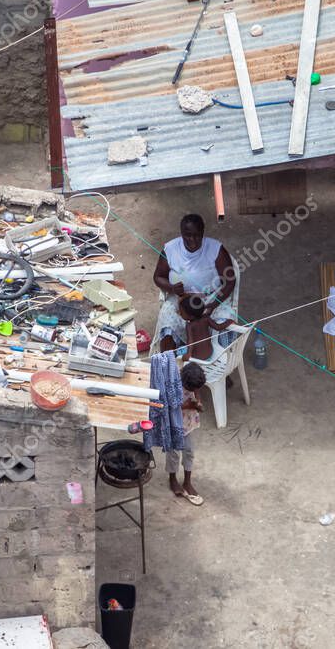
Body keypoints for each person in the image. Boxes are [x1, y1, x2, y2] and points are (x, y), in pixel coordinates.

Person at [153, 214, 237, 354]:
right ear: (181, 233)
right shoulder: (170, 249)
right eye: (188, 235)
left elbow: (230, 281)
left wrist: (213, 304)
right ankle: (169, 365)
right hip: (180, 299)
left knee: (225, 321)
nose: (192, 240)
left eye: (197, 235)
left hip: (210, 298)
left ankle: (222, 366)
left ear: (203, 233)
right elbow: (158, 277)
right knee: (167, 323)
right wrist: (171, 288)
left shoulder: (216, 249)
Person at [169, 362, 206, 506]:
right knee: (173, 453)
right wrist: (189, 406)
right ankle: (172, 479)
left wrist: (198, 402)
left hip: (188, 423)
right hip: (175, 423)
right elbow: (170, 406)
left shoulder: (193, 381)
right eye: (192, 388)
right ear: (184, 382)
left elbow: (196, 391)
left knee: (189, 451)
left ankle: (187, 481)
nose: (194, 390)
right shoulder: (173, 384)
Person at [179, 293, 235, 361]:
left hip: (197, 358)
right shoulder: (206, 318)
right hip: (209, 354)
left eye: (181, 313)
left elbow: (190, 342)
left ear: (191, 316)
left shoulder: (189, 326)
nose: (180, 314)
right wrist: (228, 322)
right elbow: (218, 327)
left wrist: (188, 354)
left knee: (179, 350)